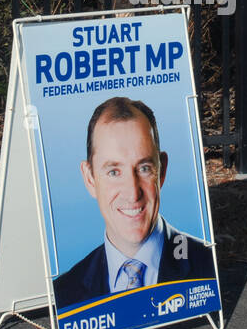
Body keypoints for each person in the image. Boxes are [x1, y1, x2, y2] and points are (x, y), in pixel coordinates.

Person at [53, 96, 215, 311]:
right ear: (90, 179)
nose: (132, 193)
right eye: (113, 172)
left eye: (144, 168)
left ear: (162, 171)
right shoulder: (66, 291)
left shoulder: (205, 265)